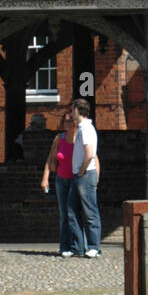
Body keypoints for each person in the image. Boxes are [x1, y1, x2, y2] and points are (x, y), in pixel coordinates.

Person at [41, 104, 85, 257]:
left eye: (70, 120)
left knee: (74, 213)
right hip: (61, 180)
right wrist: (45, 177)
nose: (67, 123)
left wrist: (94, 176)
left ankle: (79, 245)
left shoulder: (81, 136)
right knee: (64, 214)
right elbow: (50, 158)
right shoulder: (59, 138)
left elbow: (92, 156)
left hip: (76, 180)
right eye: (65, 121)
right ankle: (64, 247)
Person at [72, 100, 102, 257]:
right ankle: (78, 247)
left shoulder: (86, 129)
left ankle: (94, 247)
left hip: (85, 174)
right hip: (79, 174)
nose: (71, 113)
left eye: (72, 110)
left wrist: (81, 171)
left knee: (90, 212)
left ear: (77, 110)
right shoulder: (81, 129)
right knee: (72, 211)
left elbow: (90, 154)